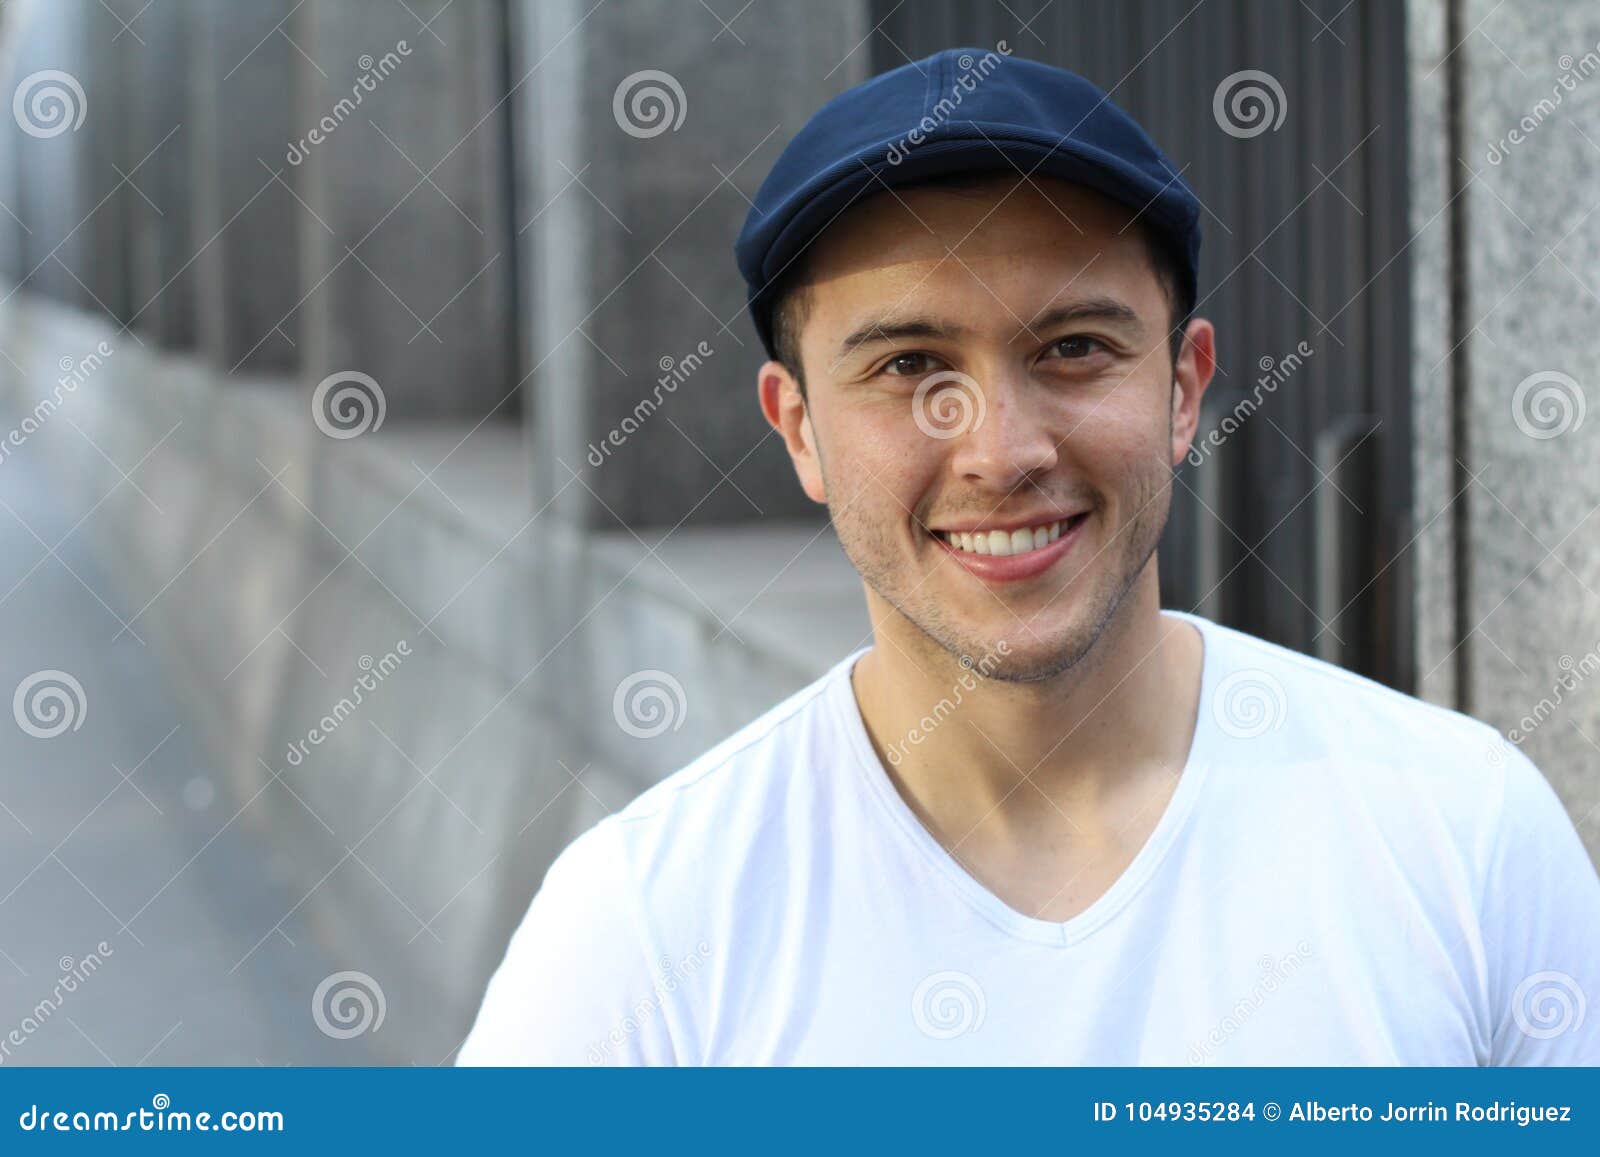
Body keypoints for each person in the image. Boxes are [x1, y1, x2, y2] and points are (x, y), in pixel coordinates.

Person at [459, 47, 1600, 1065]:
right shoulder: (644, 934)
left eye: (1073, 347)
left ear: (1183, 387)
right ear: (799, 426)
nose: (1000, 450)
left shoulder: (1462, 833)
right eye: (908, 365)